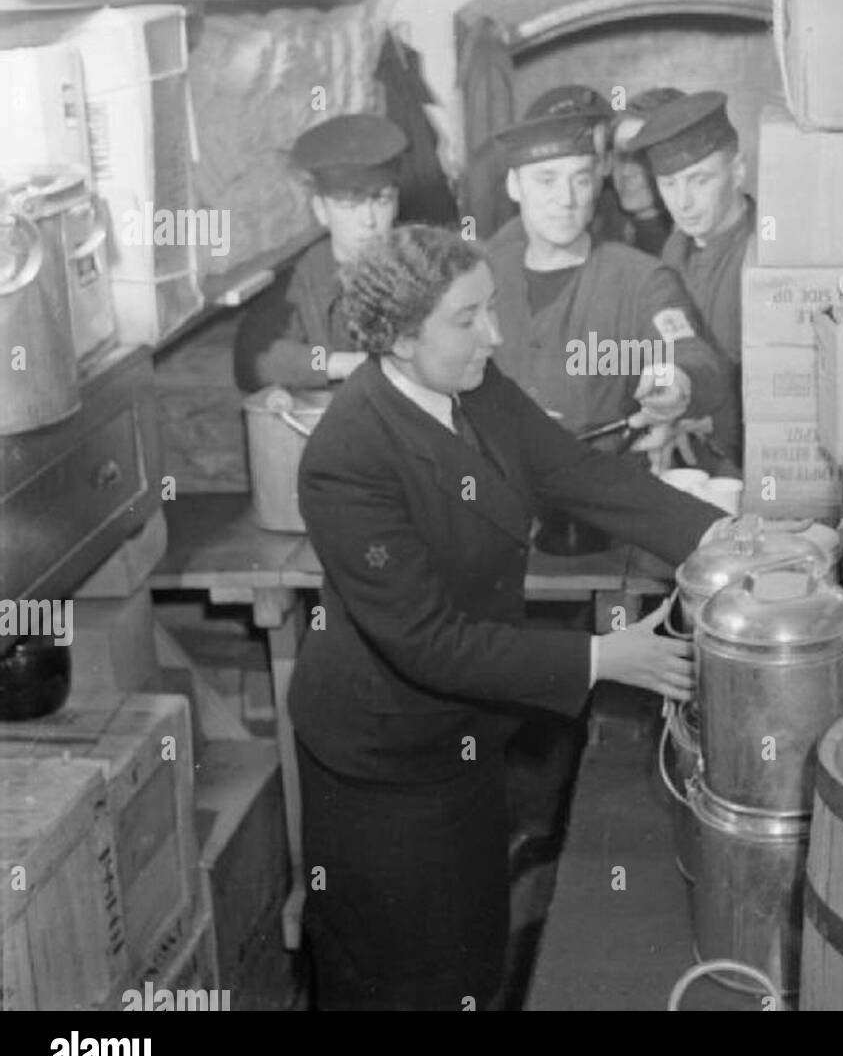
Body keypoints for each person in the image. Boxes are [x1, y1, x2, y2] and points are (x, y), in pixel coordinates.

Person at [288, 224, 725, 1010]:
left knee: (469, 953)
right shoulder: (347, 456)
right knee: (396, 976)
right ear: (396, 336)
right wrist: (600, 658)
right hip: (383, 758)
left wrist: (718, 534)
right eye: (467, 319)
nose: (492, 334)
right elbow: (429, 643)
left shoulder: (472, 385)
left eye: (489, 309)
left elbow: (578, 474)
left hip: (463, 737)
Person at [485, 85, 730, 459]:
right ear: (514, 186)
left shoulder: (641, 279)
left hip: (600, 490)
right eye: (547, 180)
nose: (566, 199)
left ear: (597, 183)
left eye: (581, 179)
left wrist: (674, 382)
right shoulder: (483, 276)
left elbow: (694, 358)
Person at [233, 114, 406, 393]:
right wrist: (338, 363)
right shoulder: (303, 278)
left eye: (381, 200)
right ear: (321, 211)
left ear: (396, 204)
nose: (369, 220)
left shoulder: (420, 263)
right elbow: (255, 359)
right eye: (350, 206)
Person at [626, 91, 757, 461]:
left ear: (738, 172)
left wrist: (706, 420)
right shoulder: (675, 246)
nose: (682, 202)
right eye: (669, 184)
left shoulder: (763, 259)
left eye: (699, 181)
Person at [591, 86, 683, 256]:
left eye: (642, 156)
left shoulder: (700, 242)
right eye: (621, 155)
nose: (625, 171)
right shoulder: (592, 224)